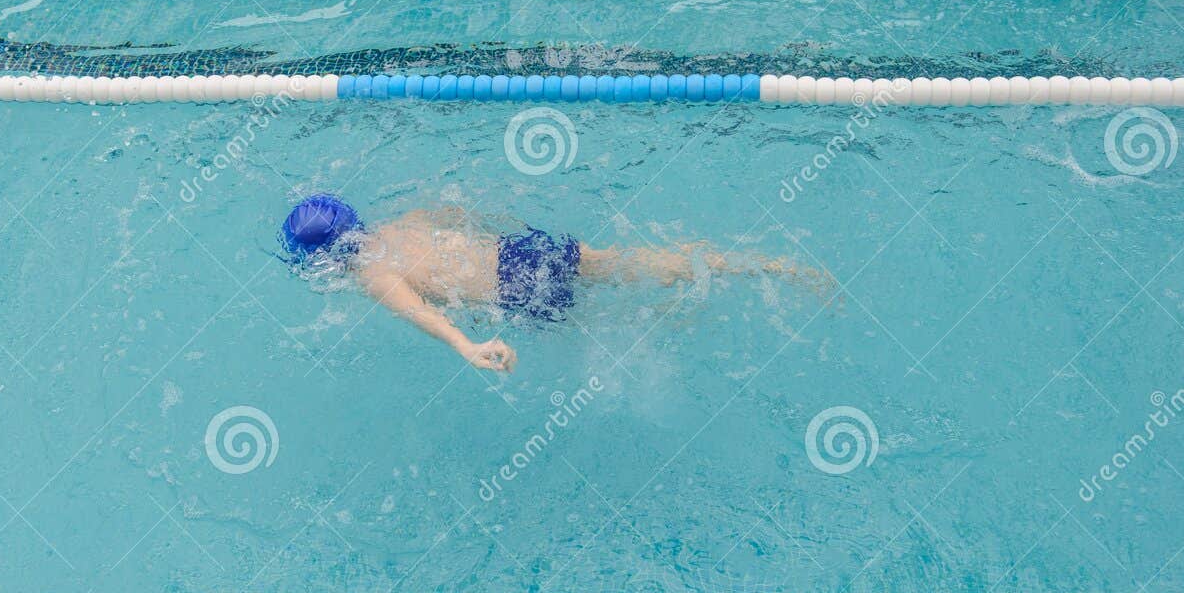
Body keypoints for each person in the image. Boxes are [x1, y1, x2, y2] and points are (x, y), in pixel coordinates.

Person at [280, 194, 821, 371]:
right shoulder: (406, 221)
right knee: (636, 264)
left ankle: (681, 312)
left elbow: (419, 312)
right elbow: (468, 208)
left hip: (516, 290)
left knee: (609, 321)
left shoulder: (373, 273)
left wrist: (468, 345)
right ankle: (763, 265)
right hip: (526, 250)